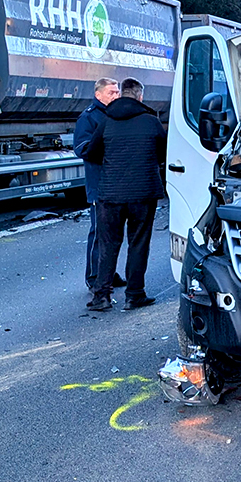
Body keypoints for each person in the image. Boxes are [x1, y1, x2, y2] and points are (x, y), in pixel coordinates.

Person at [88, 77, 166, 311]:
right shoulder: (151, 122)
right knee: (138, 244)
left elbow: (92, 153)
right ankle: (134, 295)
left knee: (108, 245)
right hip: (143, 193)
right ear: (140, 96)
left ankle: (101, 297)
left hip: (110, 194)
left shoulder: (106, 121)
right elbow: (162, 154)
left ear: (121, 95)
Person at [74, 77, 123, 301]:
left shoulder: (117, 114)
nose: (116, 96)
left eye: (117, 92)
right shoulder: (89, 117)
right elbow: (81, 148)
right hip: (100, 184)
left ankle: (109, 273)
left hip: (118, 183)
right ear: (98, 95)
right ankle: (94, 277)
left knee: (115, 233)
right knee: (99, 232)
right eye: (111, 92)